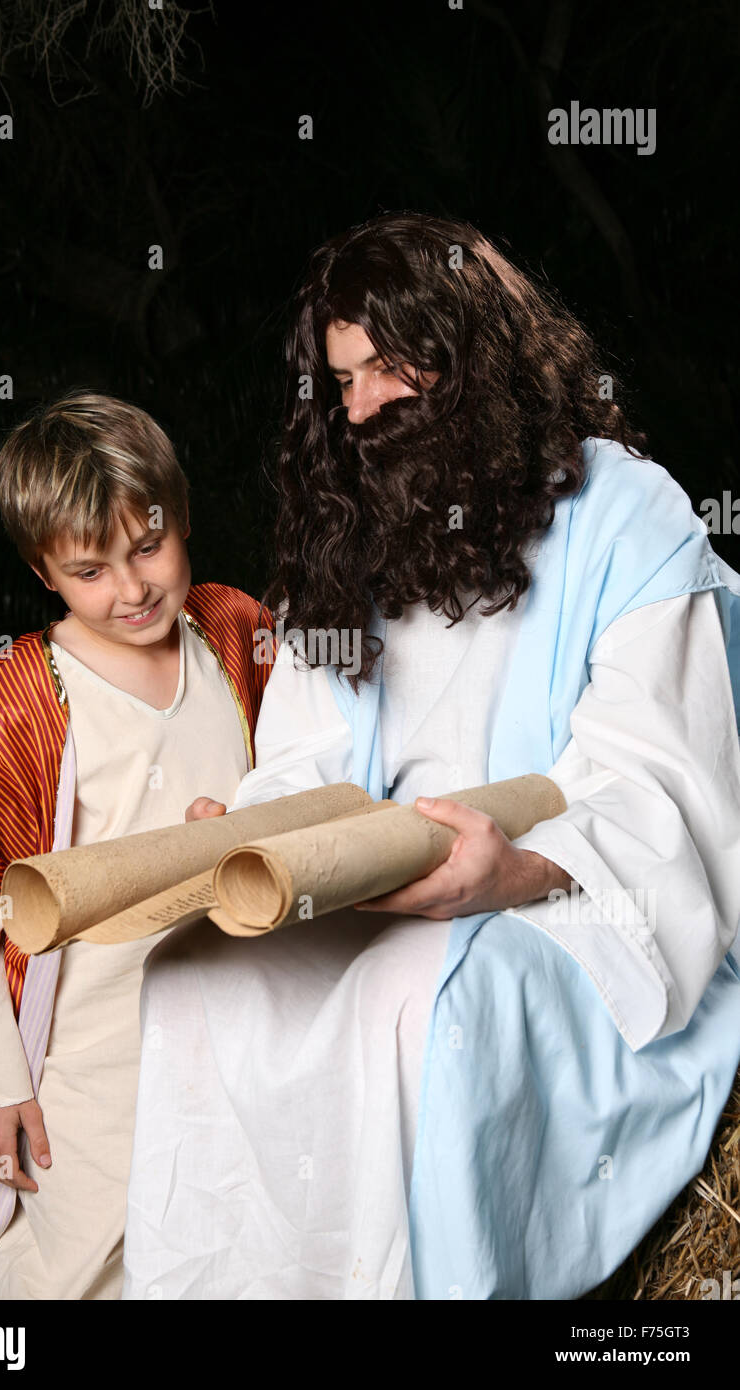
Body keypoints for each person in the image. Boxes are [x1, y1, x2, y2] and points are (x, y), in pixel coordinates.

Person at [122, 213, 740, 1300]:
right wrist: (263, 827)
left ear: (469, 353)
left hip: (569, 894)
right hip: (380, 877)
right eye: (340, 380)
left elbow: (656, 780)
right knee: (191, 977)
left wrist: (509, 872)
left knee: (411, 1001)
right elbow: (311, 745)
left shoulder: (626, 514)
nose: (356, 409)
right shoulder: (352, 521)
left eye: (381, 371)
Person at [0, 391, 272, 1300]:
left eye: (147, 548)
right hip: (94, 1036)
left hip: (241, 998)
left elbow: (312, 754)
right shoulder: (24, 694)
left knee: (221, 1228)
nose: (131, 590)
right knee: (80, 1256)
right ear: (42, 569)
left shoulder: (234, 630)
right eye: (91, 570)